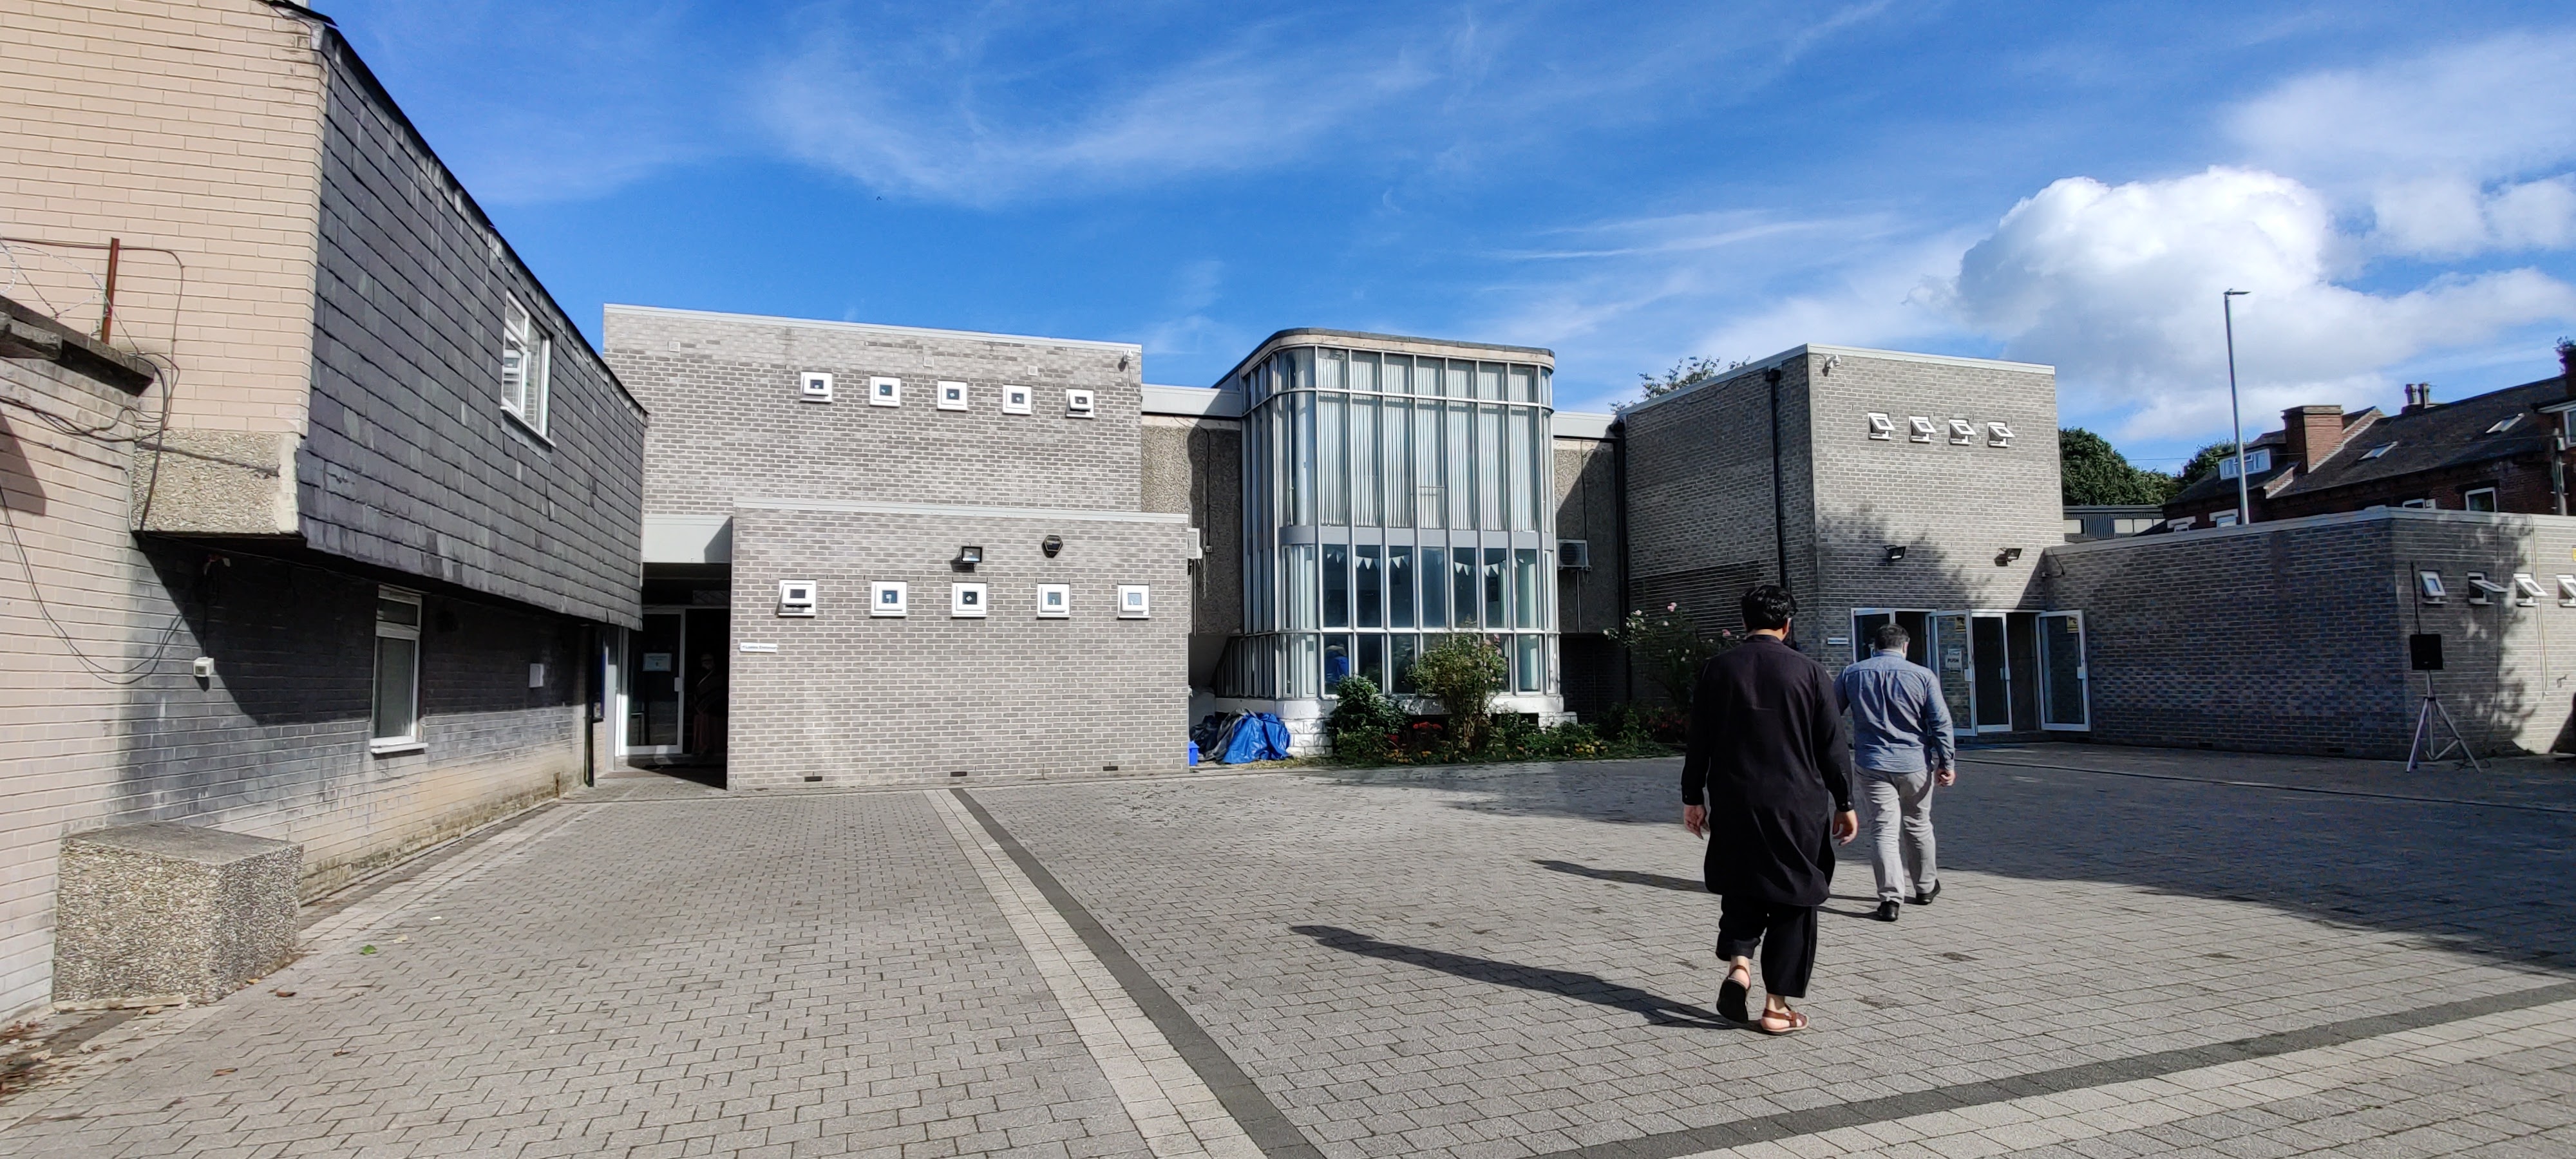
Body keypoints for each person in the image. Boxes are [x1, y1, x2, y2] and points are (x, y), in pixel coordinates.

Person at [1681, 585, 1859, 1035]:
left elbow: (1698, 741)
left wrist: (1692, 798)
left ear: (1745, 623)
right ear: (1787, 624)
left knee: (1742, 884)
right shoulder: (1812, 673)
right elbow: (1833, 749)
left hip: (1735, 800)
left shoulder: (1715, 670)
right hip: (1796, 805)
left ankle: (1739, 965)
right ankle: (1776, 1007)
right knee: (1795, 898)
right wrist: (1846, 802)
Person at [1834, 624, 1955, 922]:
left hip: (1872, 762)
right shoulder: (1922, 675)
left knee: (1883, 829)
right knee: (1918, 822)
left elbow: (1829, 713)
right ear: (1906, 645)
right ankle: (1925, 887)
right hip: (1914, 763)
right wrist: (1947, 763)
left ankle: (1890, 899)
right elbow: (1941, 722)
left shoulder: (1852, 673)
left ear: (1874, 646)